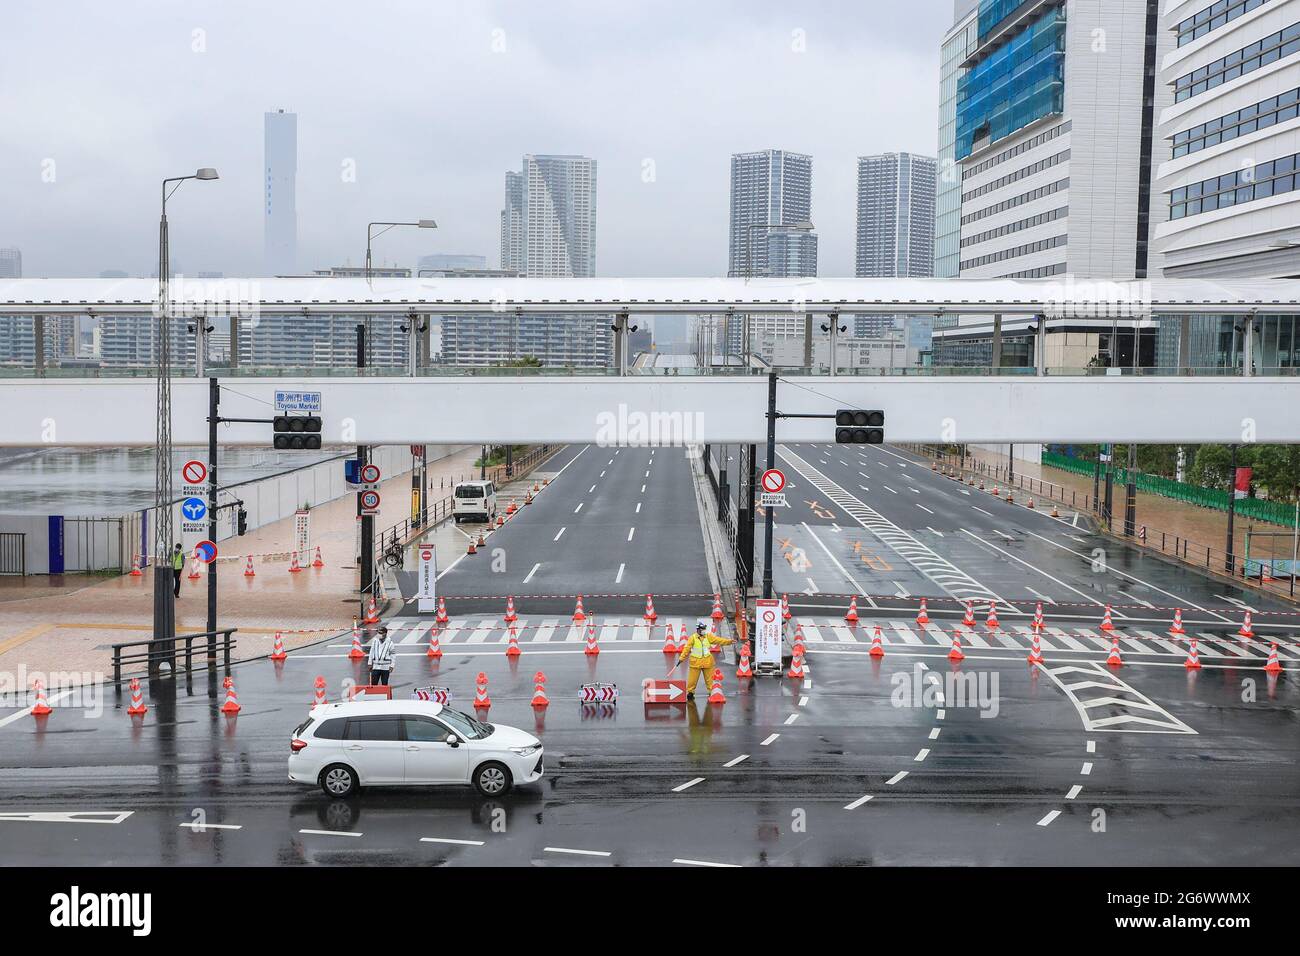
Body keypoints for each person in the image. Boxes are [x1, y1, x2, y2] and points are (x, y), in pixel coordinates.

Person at [677, 618, 733, 700]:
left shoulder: (708, 636)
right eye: (702, 629)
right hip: (696, 663)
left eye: (704, 629)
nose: (704, 631)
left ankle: (712, 692)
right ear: (698, 630)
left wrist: (729, 641)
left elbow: (719, 640)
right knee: (692, 680)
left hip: (707, 662)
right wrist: (681, 658)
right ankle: (690, 692)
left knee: (710, 680)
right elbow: (686, 649)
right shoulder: (692, 638)